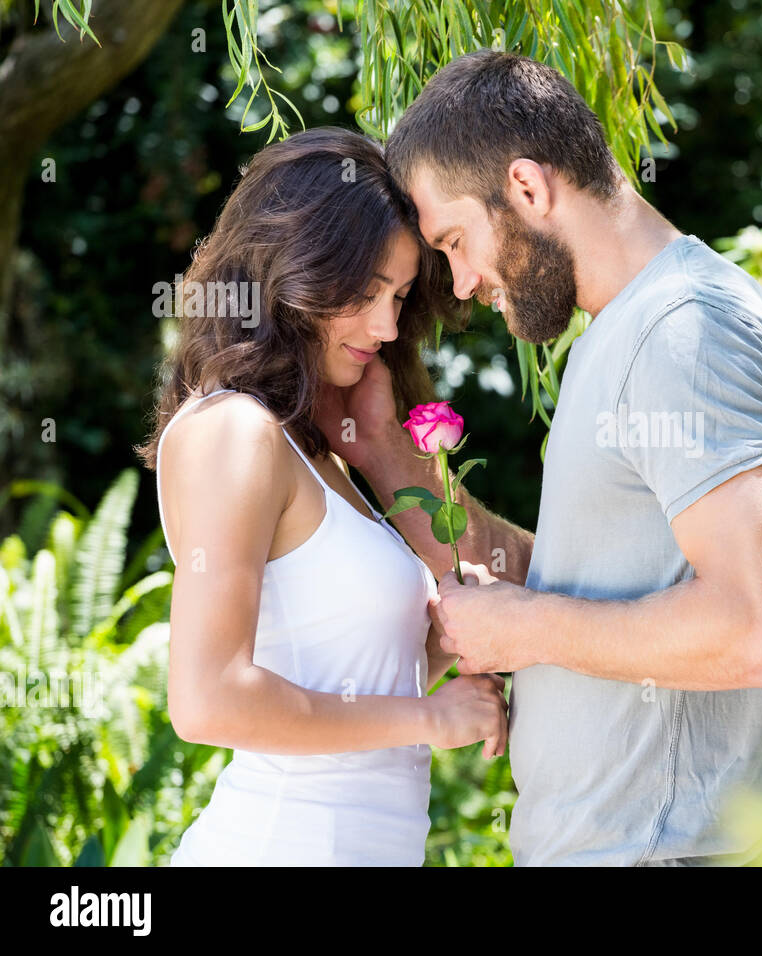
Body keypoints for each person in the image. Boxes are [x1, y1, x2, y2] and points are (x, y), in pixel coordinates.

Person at [348, 50, 762, 865]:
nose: (460, 283)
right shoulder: (629, 331)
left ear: (527, 188)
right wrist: (386, 451)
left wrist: (529, 629)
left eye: (455, 241)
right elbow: (593, 590)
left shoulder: (684, 331)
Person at [136, 126, 509, 866]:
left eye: (398, 296)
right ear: (293, 269)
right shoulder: (233, 432)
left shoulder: (312, 449)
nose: (387, 326)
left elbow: (344, 670)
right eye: (366, 293)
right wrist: (430, 719)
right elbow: (208, 700)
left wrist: (450, 638)